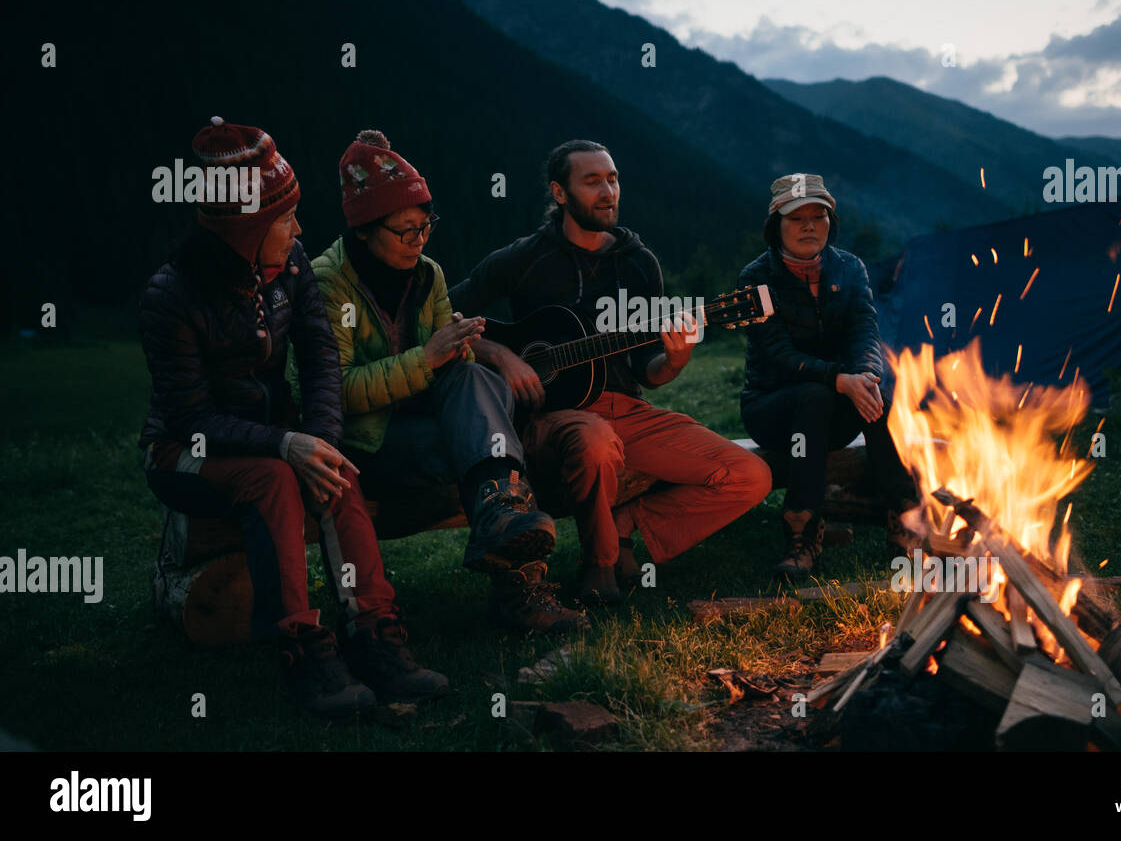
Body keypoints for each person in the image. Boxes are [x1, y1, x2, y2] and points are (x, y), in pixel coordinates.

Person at [139, 117, 446, 718]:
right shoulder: (171, 296)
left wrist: (321, 444)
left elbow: (321, 363)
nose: (299, 229)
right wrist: (286, 446)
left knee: (337, 472)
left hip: (276, 439)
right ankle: (300, 648)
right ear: (247, 229)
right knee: (276, 480)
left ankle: (373, 633)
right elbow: (190, 417)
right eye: (284, 218)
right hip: (184, 450)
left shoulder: (294, 267)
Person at [450, 139, 772, 606]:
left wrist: (677, 358)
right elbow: (440, 315)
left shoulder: (639, 264)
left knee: (749, 475)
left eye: (614, 179)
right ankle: (599, 567)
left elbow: (651, 370)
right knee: (595, 441)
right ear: (560, 193)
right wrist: (502, 356)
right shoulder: (524, 258)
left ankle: (623, 530)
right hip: (549, 416)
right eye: (593, 181)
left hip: (626, 408)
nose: (608, 191)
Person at [296, 129, 588, 633]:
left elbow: (450, 368)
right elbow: (334, 391)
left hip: (429, 429)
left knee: (475, 379)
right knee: (498, 458)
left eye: (424, 226)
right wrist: (427, 359)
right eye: (405, 230)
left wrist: (460, 348)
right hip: (366, 444)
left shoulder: (426, 275)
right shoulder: (330, 284)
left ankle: (501, 512)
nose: (419, 240)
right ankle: (518, 590)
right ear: (365, 230)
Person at [737, 174, 919, 579]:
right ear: (776, 226)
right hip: (773, 410)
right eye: (795, 217)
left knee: (880, 394)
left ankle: (905, 519)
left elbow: (865, 332)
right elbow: (777, 354)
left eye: (817, 216)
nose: (808, 226)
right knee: (813, 397)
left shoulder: (849, 268)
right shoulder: (756, 278)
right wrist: (839, 379)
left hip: (836, 403)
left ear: (830, 221)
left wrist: (867, 375)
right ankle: (802, 535)